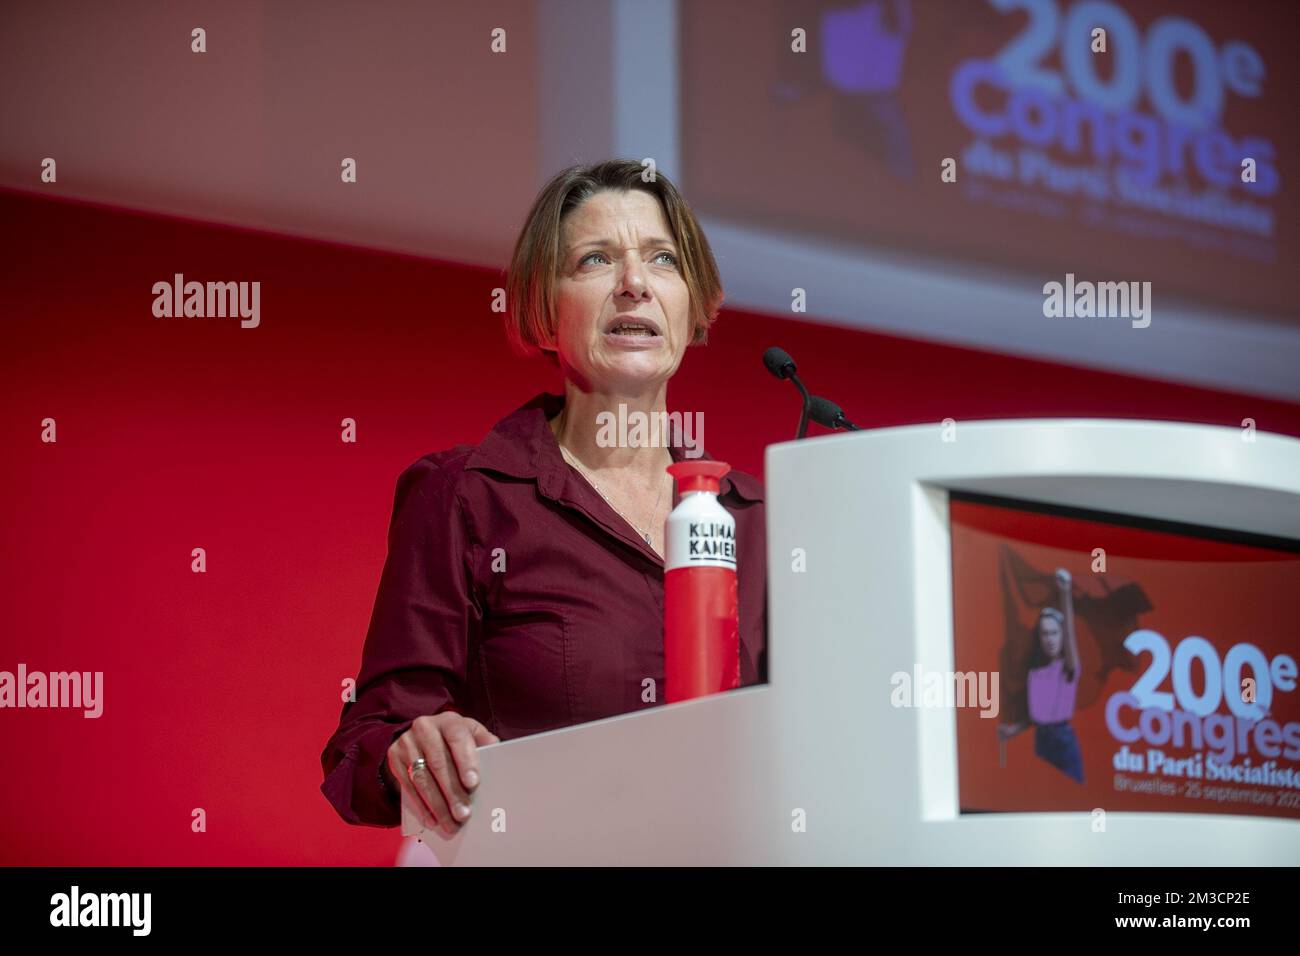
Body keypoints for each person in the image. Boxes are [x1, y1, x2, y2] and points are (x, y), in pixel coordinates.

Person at [319, 159, 768, 834]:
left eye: (663, 260)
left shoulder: (760, 520)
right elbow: (364, 746)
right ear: (543, 306)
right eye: (594, 260)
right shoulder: (467, 497)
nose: (634, 285)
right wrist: (410, 751)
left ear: (694, 301)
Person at [998, 568, 1084, 783]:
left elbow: (1071, 632)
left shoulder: (1069, 666)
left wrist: (1064, 593)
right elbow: (1035, 717)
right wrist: (1011, 732)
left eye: (1054, 633)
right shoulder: (1035, 673)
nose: (1050, 639)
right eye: (1045, 634)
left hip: (1063, 742)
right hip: (1042, 742)